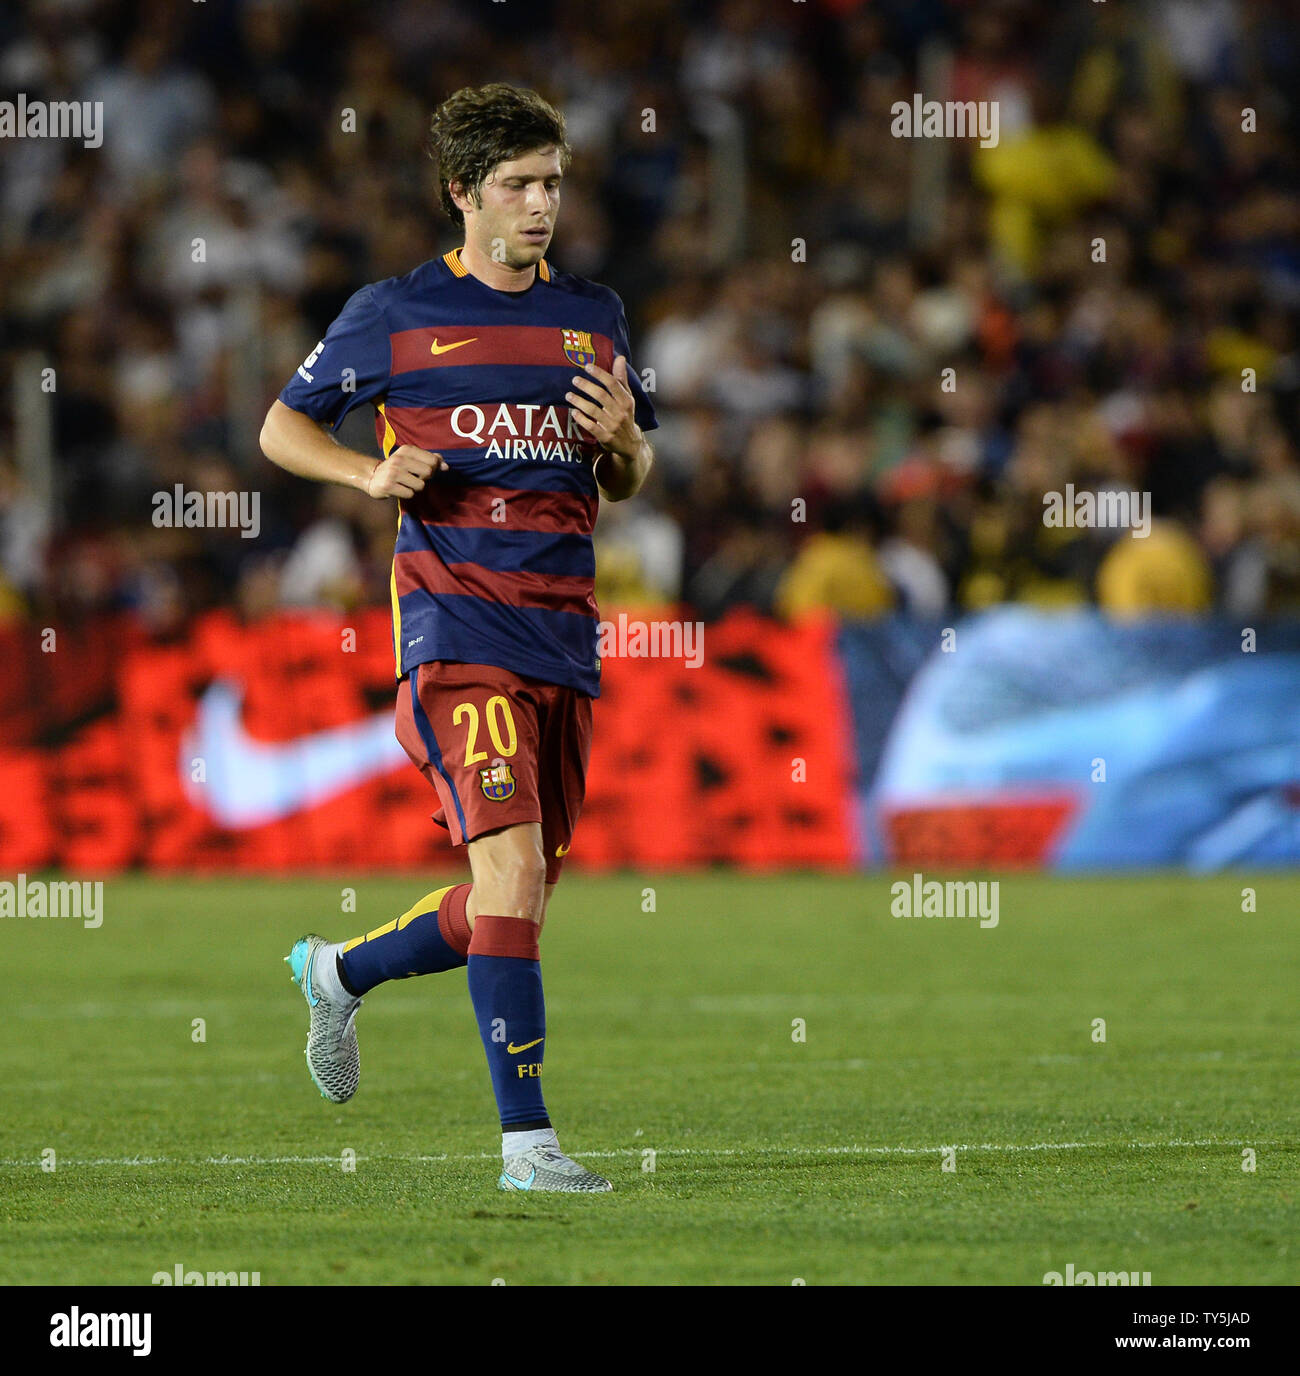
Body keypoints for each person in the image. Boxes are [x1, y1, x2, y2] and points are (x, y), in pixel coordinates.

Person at [260, 83, 656, 1192]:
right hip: (453, 633)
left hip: (563, 640)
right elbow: (281, 425)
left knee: (505, 901)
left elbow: (628, 475)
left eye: (552, 183)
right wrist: (365, 470)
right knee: (515, 871)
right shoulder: (393, 315)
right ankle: (527, 1146)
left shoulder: (595, 315)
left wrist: (624, 437)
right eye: (519, 186)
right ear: (463, 194)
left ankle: (338, 972)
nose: (541, 205)